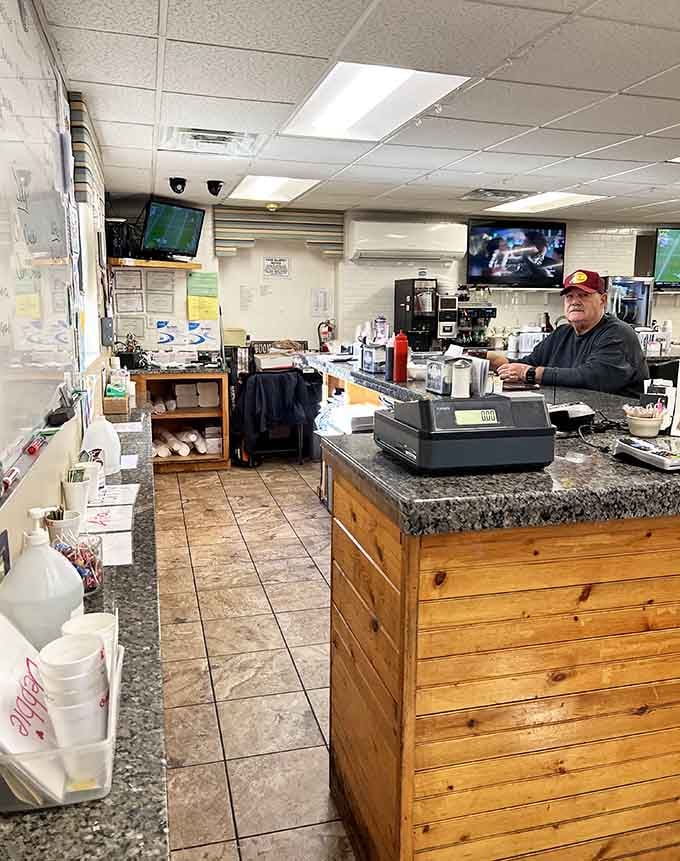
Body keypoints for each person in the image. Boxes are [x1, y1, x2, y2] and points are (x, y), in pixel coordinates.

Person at [489, 269, 649, 395]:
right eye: (569, 296)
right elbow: (529, 363)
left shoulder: (617, 333)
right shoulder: (562, 333)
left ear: (603, 300)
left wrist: (529, 373)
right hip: (575, 415)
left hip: (614, 423)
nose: (575, 302)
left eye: (583, 295)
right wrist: (493, 362)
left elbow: (591, 377)